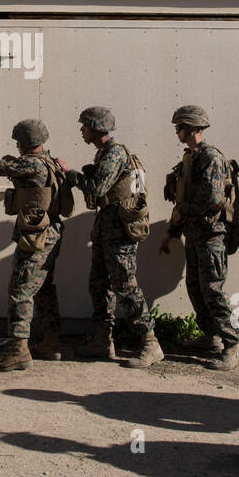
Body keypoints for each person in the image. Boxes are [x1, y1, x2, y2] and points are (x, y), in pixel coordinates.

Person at [0, 119, 70, 370]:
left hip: (36, 237)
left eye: (18, 141)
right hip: (51, 232)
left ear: (26, 142)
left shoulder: (30, 164)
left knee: (20, 289)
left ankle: (19, 351)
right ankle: (51, 343)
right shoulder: (49, 162)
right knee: (44, 288)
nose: (16, 145)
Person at [64, 106, 163, 369]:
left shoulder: (114, 153)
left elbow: (97, 188)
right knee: (99, 284)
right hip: (107, 228)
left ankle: (150, 342)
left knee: (125, 286)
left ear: (97, 128)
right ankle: (102, 340)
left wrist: (70, 173)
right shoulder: (104, 153)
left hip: (119, 232)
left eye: (85, 125)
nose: (82, 130)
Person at [159, 105, 239, 370]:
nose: (176, 131)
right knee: (196, 288)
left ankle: (235, 345)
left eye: (179, 127)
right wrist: (172, 233)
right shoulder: (190, 158)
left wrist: (182, 212)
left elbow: (212, 199)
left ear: (191, 128)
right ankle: (212, 336)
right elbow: (183, 198)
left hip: (211, 236)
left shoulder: (211, 157)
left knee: (213, 290)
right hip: (195, 234)